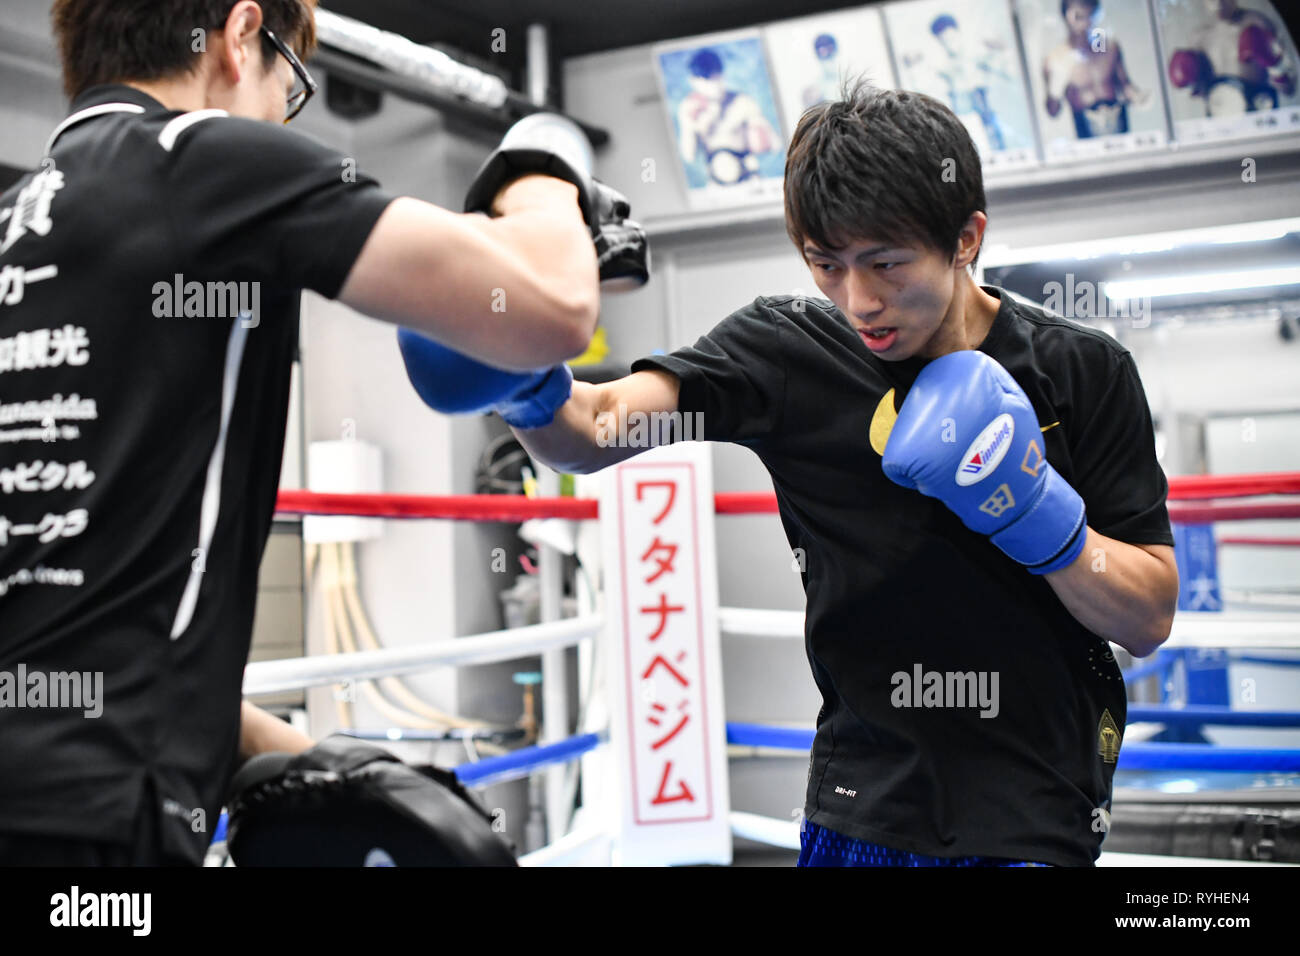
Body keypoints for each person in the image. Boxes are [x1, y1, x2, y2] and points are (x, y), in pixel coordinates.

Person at [398, 82, 1180, 867]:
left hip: (1034, 814)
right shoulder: (787, 351)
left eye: (886, 263)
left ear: (967, 237)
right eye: (826, 264)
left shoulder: (1083, 371)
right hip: (860, 808)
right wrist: (517, 372)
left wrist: (1036, 514)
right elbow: (592, 432)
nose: (859, 299)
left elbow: (1147, 617)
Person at [0, 0, 644, 866]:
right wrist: (543, 164)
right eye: (288, 83)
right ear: (237, 37)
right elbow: (551, 306)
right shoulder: (197, 157)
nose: (280, 116)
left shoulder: (16, 226)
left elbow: (76, 637)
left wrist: (328, 766)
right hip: (99, 830)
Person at [1043, 0, 1150, 139]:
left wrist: (1137, 97)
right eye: (1080, 17)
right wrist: (1055, 89)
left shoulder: (1110, 47)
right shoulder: (1055, 59)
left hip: (1121, 133)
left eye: (1091, 16)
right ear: (1068, 16)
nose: (1087, 23)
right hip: (1086, 138)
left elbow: (1125, 86)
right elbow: (1053, 111)